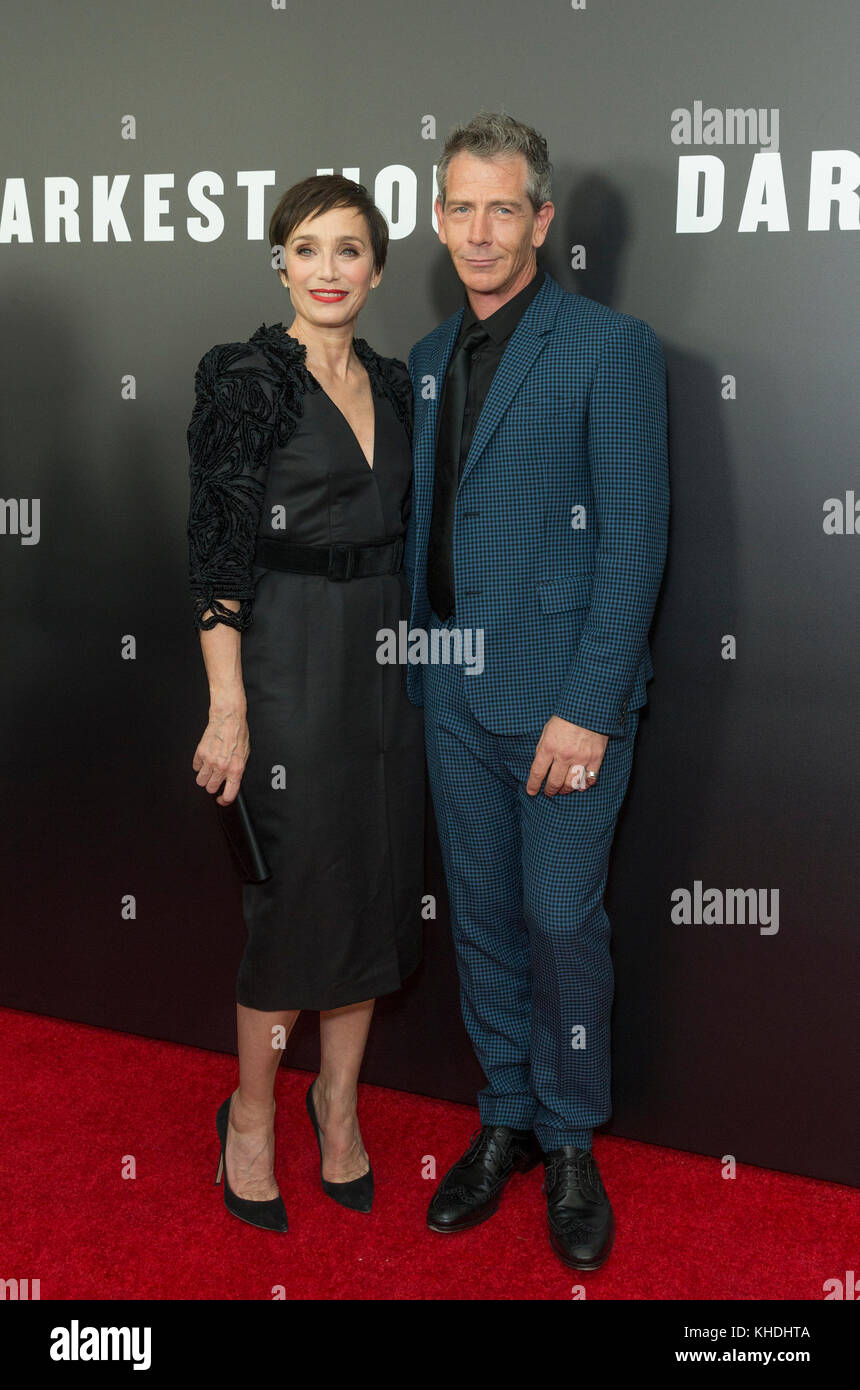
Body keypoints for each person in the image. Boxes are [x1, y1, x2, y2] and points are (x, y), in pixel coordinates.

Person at [404, 113, 669, 1270]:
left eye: (500, 207)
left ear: (541, 219)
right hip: (447, 692)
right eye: (458, 206)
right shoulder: (420, 359)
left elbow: (632, 545)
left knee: (559, 921)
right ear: (436, 215)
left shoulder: (607, 348)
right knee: (478, 916)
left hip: (560, 694)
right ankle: (504, 1113)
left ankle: (568, 1139)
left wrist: (589, 704)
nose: (477, 229)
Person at [186, 174, 425, 1232]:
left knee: (372, 883)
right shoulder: (245, 377)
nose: (328, 269)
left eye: (349, 249)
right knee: (292, 899)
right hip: (283, 656)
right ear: (278, 260)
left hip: (384, 660)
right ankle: (249, 1113)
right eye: (307, 248)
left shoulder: (394, 378)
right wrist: (228, 709)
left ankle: (336, 1103)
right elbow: (216, 554)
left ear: (377, 267)